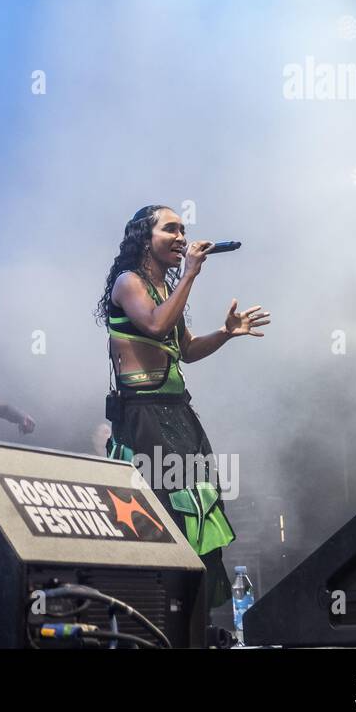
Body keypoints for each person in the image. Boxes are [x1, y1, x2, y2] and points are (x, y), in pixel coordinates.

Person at [95, 205, 270, 613]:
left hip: (177, 413)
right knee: (162, 511)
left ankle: (191, 617)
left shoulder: (163, 291)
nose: (181, 237)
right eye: (170, 229)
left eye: (183, 230)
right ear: (144, 238)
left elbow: (186, 350)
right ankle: (157, 612)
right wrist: (190, 272)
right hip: (144, 415)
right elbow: (155, 326)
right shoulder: (128, 282)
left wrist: (227, 333)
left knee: (197, 505)